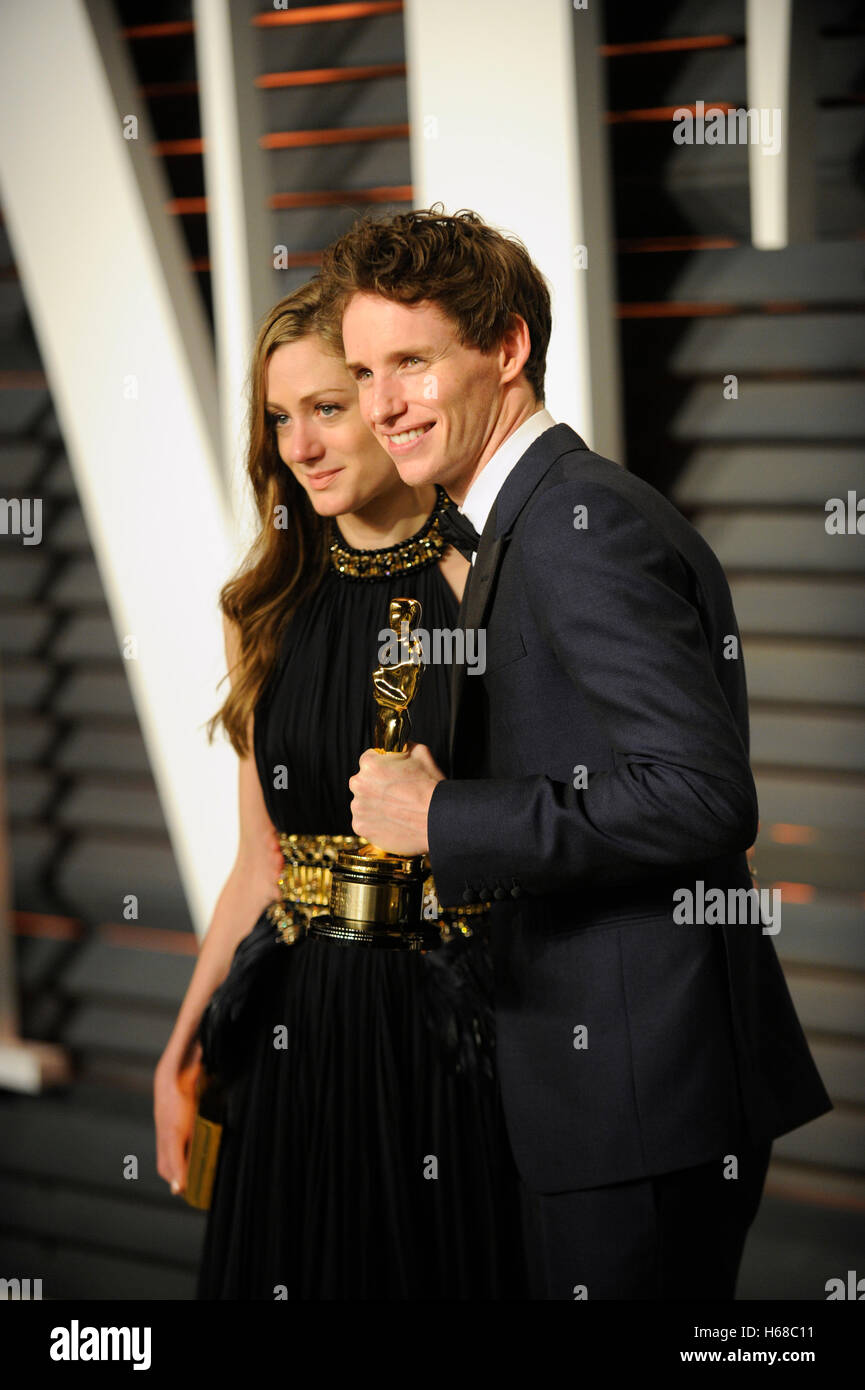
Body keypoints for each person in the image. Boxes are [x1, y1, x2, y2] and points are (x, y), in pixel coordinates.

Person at [319, 206, 834, 1300]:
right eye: (365, 371)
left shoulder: (573, 526)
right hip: (619, 1092)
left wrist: (442, 819)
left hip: (637, 1103)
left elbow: (701, 796)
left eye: (412, 361)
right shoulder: (537, 518)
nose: (383, 405)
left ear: (506, 349)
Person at [152, 278, 527, 1300]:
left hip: (443, 1033)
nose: (300, 445)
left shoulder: (484, 582)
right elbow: (257, 866)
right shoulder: (263, 607)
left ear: (384, 400)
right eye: (279, 419)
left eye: (325, 406)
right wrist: (180, 1048)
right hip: (292, 1025)